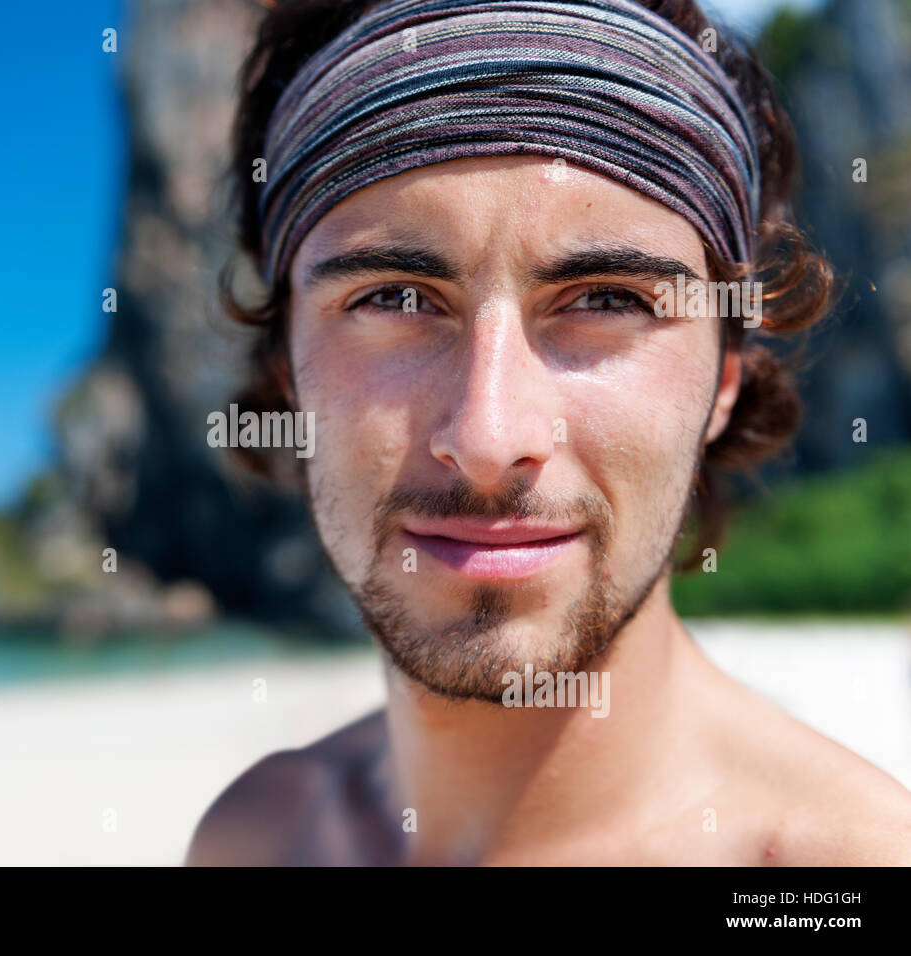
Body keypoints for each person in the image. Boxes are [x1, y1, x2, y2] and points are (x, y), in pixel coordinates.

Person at [186, 0, 911, 866]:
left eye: (607, 299)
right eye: (394, 298)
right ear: (285, 375)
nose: (490, 435)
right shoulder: (257, 838)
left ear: (725, 378)